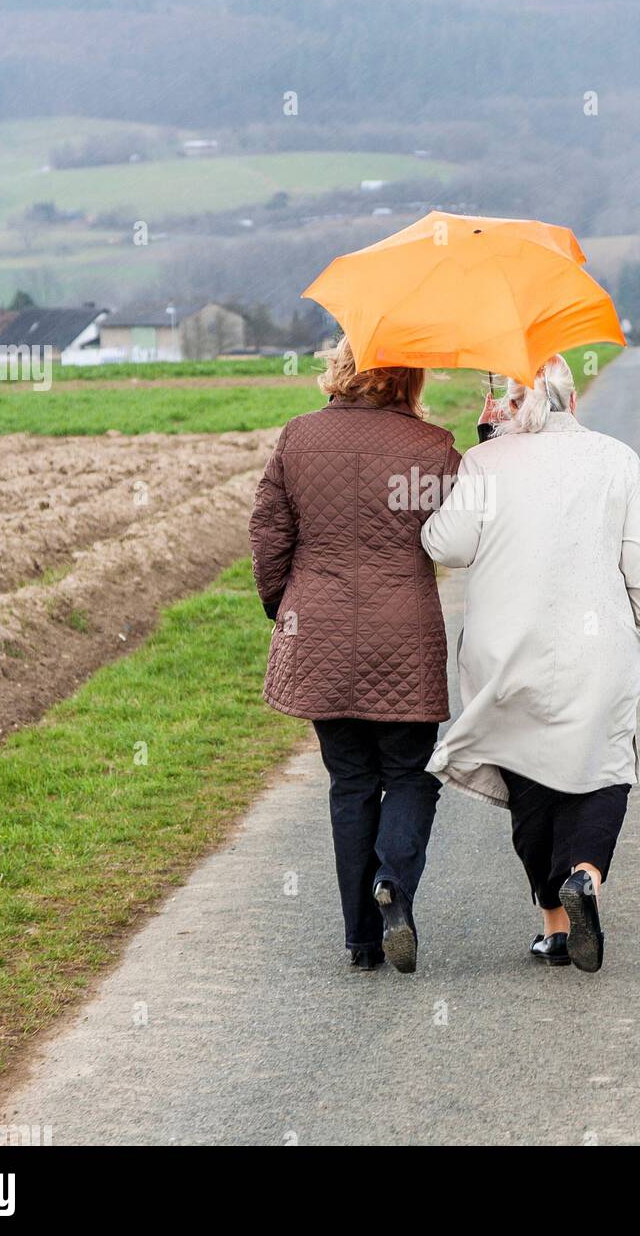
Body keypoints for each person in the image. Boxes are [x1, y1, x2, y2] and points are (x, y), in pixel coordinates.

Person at [421, 354, 640, 972]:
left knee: (528, 776)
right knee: (604, 765)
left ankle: (555, 931)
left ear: (510, 407)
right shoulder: (617, 459)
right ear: (573, 402)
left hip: (508, 652)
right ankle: (584, 875)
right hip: (600, 646)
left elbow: (446, 545)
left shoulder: (486, 461)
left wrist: (483, 451)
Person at [250, 338, 461, 973]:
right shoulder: (431, 451)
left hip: (317, 629)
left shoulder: (297, 437)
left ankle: (362, 941)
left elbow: (269, 532)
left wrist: (282, 605)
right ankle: (393, 880)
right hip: (404, 631)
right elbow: (461, 535)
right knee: (410, 773)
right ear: (410, 377)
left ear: (343, 369)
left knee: (350, 781)